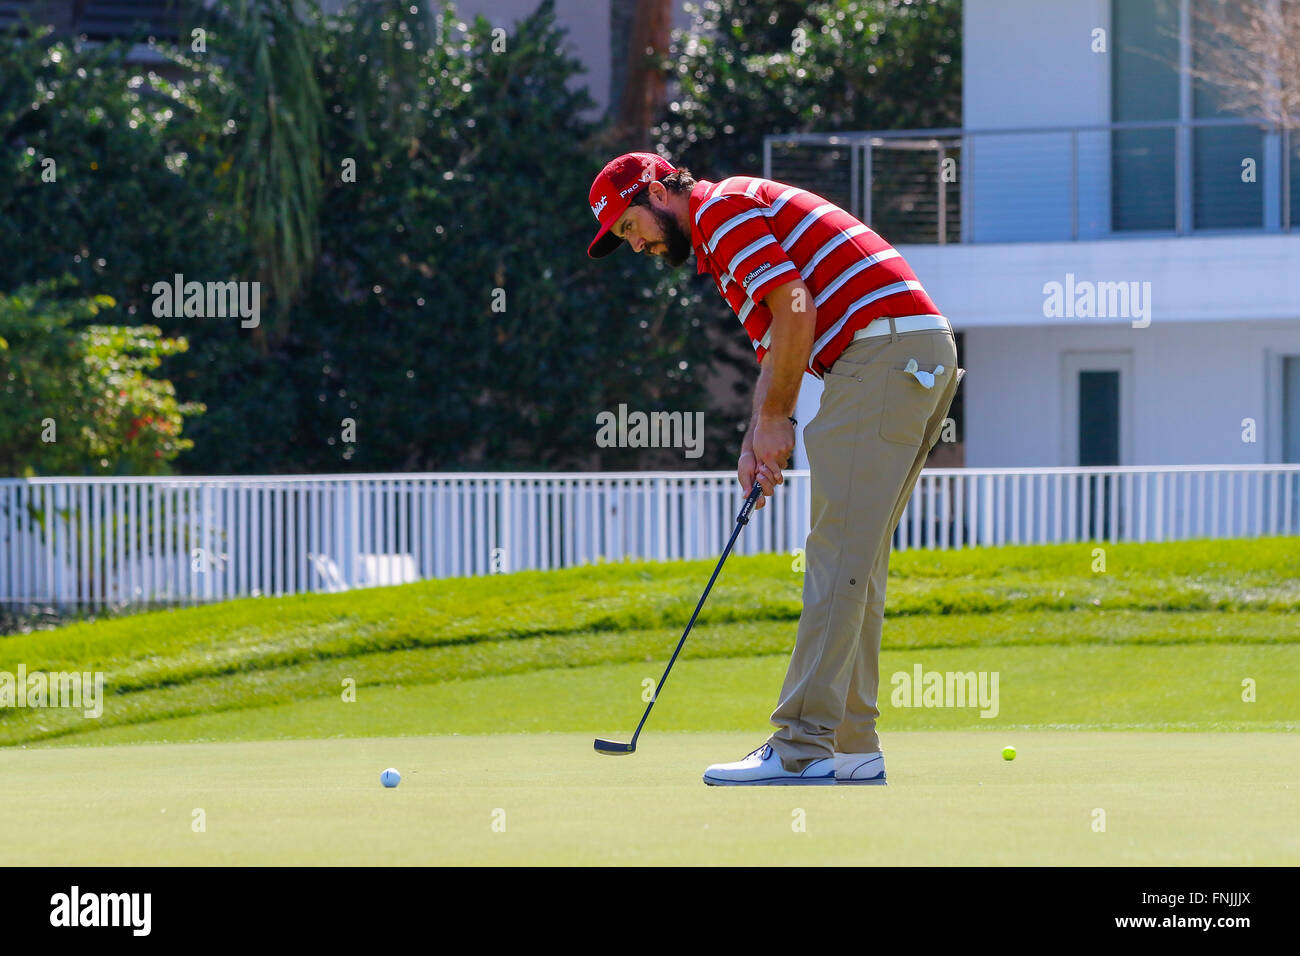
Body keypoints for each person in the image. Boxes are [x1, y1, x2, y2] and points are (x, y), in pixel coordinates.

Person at [586, 152, 965, 786]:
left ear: (657, 191)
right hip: (910, 354)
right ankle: (851, 745)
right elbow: (777, 342)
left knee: (837, 556)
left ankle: (800, 747)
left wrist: (777, 419)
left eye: (631, 226)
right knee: (858, 561)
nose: (637, 245)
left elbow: (796, 306)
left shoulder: (722, 208)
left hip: (881, 356)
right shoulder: (724, 237)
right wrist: (757, 438)